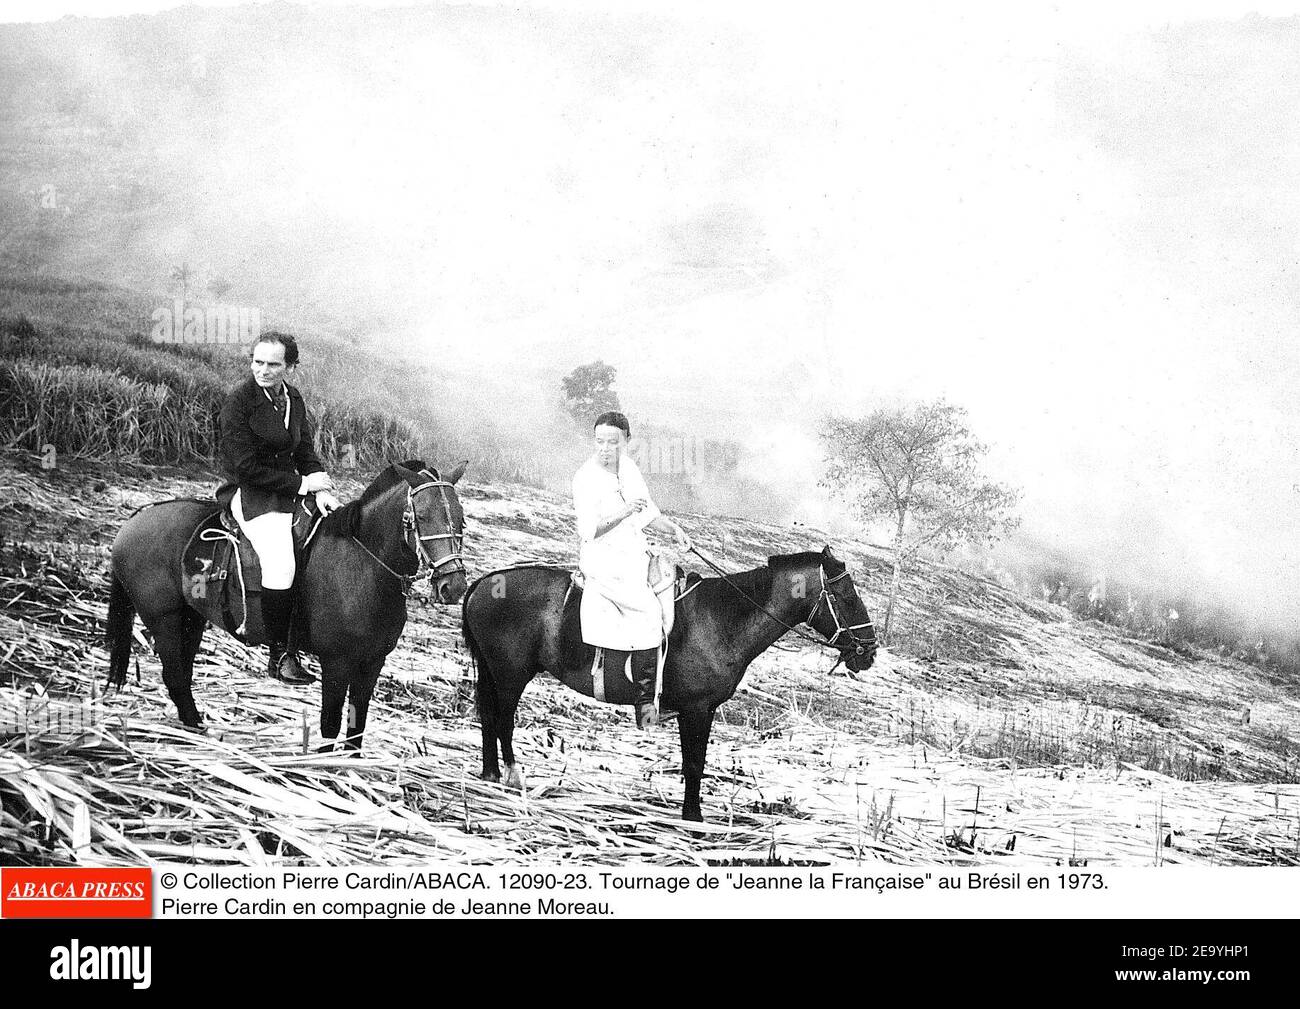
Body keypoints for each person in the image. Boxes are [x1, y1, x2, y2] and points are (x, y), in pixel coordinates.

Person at [215, 332, 341, 684]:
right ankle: (279, 654)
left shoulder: (293, 399)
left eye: (273, 364)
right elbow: (245, 468)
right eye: (258, 362)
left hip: (289, 491)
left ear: (290, 367)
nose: (264, 370)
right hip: (251, 493)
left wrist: (321, 486)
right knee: (281, 565)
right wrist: (302, 485)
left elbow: (303, 452)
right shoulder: (238, 403)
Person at [572, 411, 691, 729]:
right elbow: (589, 530)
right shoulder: (585, 478)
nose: (606, 448)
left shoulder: (629, 469)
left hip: (633, 556)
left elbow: (647, 513)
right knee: (650, 614)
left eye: (613, 442)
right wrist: (623, 512)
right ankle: (645, 705)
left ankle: (662, 688)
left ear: (626, 442)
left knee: (669, 601)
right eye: (600, 441)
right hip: (604, 562)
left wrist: (673, 529)